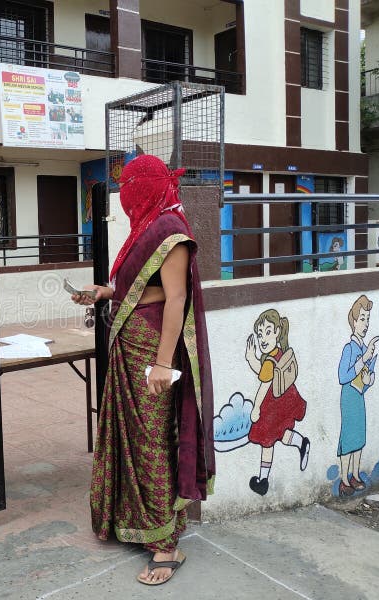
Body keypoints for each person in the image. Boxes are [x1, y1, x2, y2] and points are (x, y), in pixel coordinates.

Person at [72, 154, 215, 586]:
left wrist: (162, 363)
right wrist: (104, 292)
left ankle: (167, 545)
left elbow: (175, 299)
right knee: (133, 438)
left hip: (151, 352)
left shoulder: (171, 232)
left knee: (152, 442)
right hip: (129, 346)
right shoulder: (147, 228)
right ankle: (138, 521)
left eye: (131, 185)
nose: (126, 195)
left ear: (149, 187)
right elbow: (141, 288)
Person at [244, 309, 310, 496]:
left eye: (267, 332)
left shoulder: (269, 361)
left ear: (277, 332)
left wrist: (256, 408)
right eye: (260, 334)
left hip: (271, 406)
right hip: (283, 402)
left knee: (267, 441)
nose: (262, 338)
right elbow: (264, 373)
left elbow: (264, 384)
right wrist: (251, 358)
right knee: (281, 434)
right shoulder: (279, 352)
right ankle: (302, 443)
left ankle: (263, 480)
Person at [337, 295, 378, 495]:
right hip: (349, 397)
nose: (365, 324)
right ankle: (344, 480)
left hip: (359, 396)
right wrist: (364, 359)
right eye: (362, 319)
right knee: (348, 436)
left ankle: (355, 475)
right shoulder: (350, 348)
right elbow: (342, 376)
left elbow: (365, 377)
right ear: (353, 321)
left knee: (359, 436)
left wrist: (369, 380)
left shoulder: (363, 348)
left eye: (367, 319)